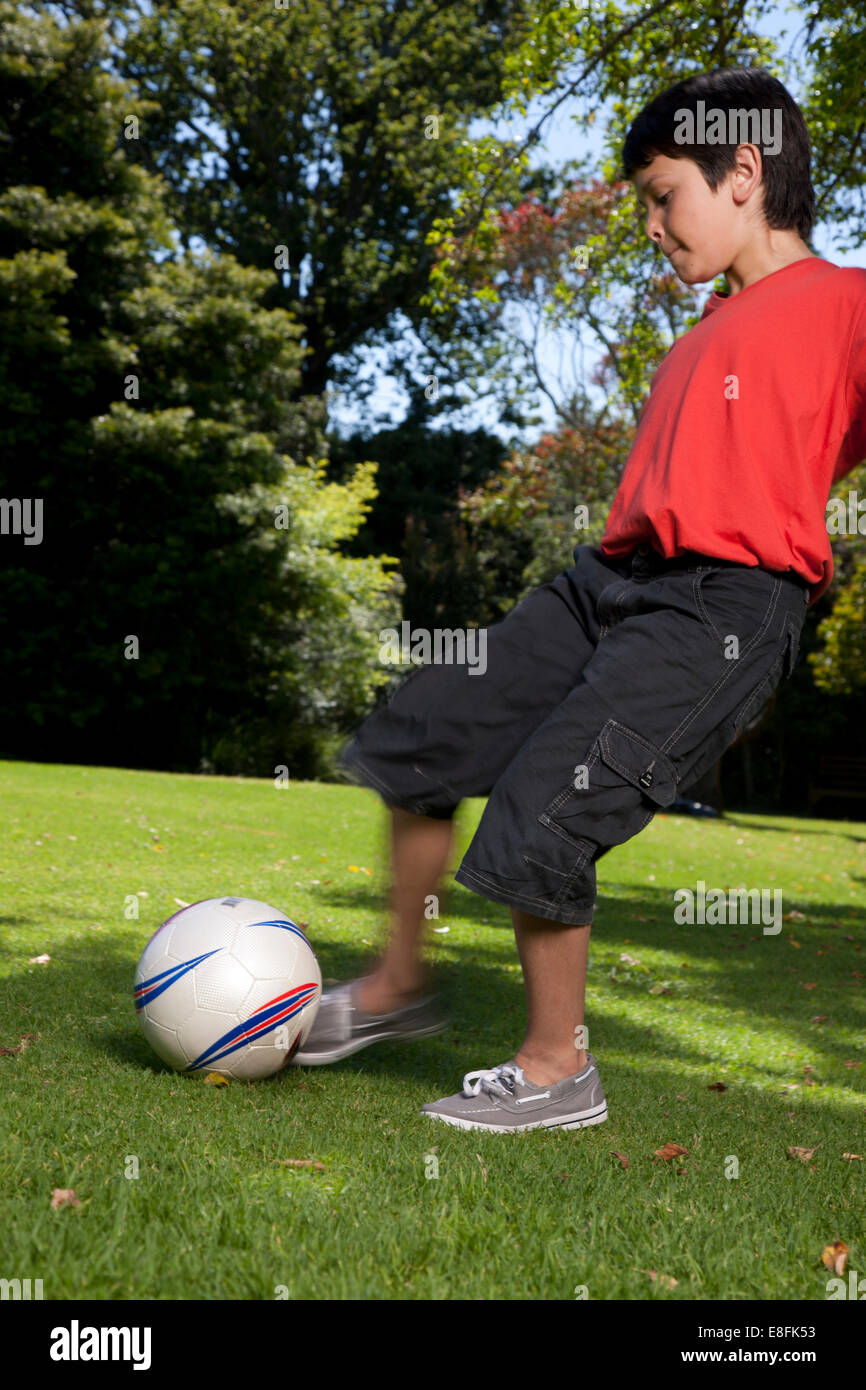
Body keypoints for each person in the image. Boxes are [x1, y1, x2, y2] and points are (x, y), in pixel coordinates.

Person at [292, 67, 866, 1132]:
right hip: (602, 585)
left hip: (725, 606)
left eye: (661, 196)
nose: (651, 225)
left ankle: (557, 1069)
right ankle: (397, 987)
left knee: (549, 805)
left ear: (740, 171)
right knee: (423, 726)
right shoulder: (700, 336)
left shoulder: (847, 305)